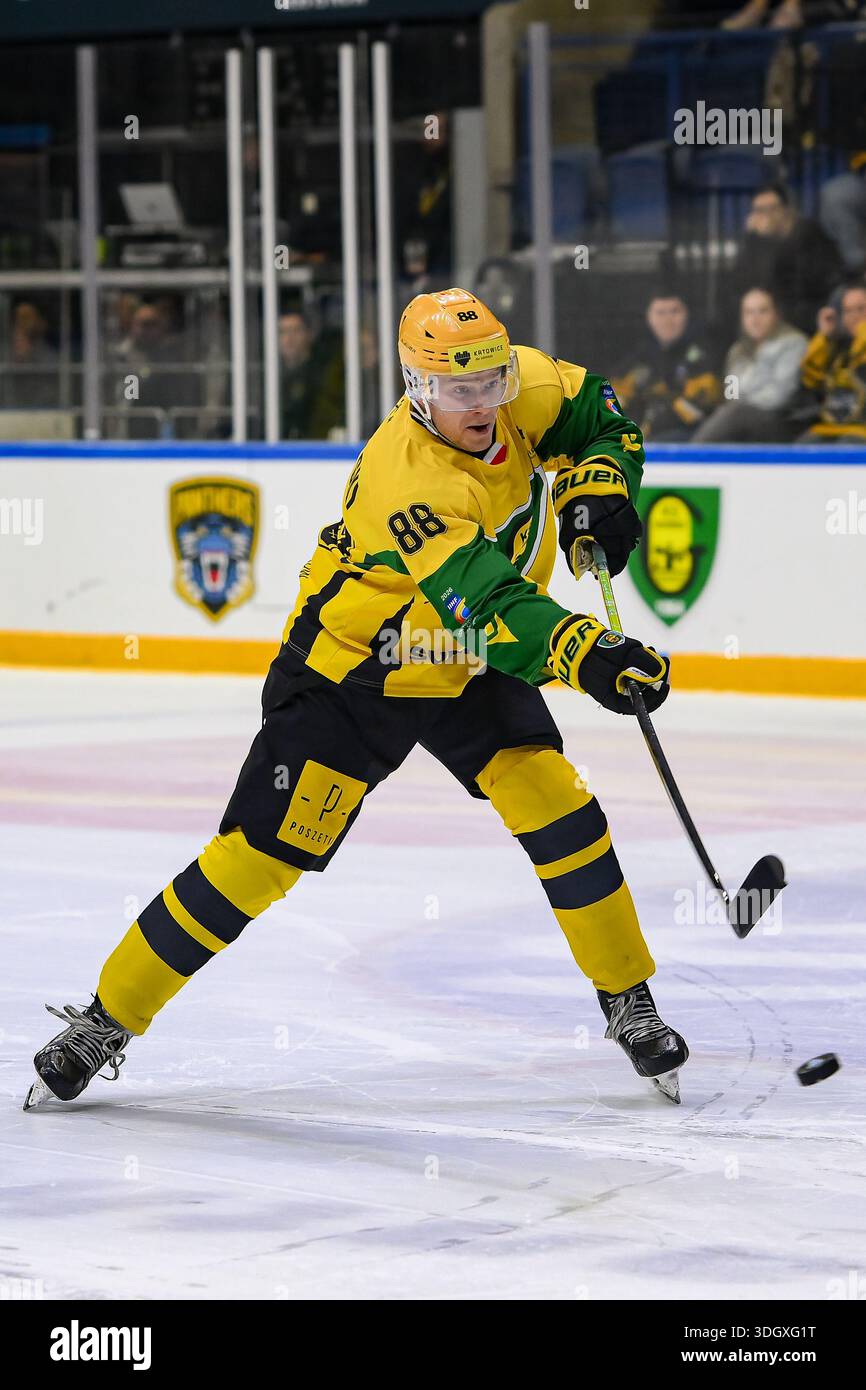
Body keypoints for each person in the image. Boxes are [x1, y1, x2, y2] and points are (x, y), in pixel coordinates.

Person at [25, 288, 689, 1115]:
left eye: (491, 381)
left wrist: (600, 486)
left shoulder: (528, 386)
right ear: (417, 387)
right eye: (459, 388)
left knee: (557, 803)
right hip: (358, 669)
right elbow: (485, 606)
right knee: (262, 859)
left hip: (465, 661)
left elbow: (606, 421)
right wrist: (587, 653)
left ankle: (628, 998)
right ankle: (107, 1019)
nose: (482, 403)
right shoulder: (403, 479)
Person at [694, 287, 807, 442]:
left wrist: (743, 406)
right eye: (749, 312)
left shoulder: (793, 344)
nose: (755, 319)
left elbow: (780, 396)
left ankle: (694, 456)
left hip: (781, 420)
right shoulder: (737, 351)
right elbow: (730, 393)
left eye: (762, 311)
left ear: (775, 314)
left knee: (735, 414)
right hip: (740, 421)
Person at [732, 184, 844, 337]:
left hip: (808, 323)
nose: (765, 216)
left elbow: (785, 287)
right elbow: (744, 283)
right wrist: (752, 239)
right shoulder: (758, 242)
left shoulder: (809, 236)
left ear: (787, 210)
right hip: (774, 323)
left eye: (771, 209)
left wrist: (760, 241)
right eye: (759, 211)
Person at [614, 292, 720, 442]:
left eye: (675, 311)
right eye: (660, 313)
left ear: (687, 315)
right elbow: (615, 396)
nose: (668, 320)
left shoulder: (703, 354)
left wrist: (648, 429)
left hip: (687, 439)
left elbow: (696, 409)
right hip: (640, 438)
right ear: (649, 318)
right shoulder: (640, 356)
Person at [793, 282, 866, 442]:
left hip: (861, 429)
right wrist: (824, 338)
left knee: (848, 445)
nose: (855, 316)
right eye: (848, 311)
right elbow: (809, 384)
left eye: (861, 309)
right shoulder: (834, 348)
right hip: (832, 426)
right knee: (805, 445)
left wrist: (863, 335)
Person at [278, 309, 343, 440]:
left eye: (296, 331)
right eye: (283, 332)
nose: (289, 338)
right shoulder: (267, 376)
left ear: (309, 334)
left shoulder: (325, 374)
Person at [2, 300, 59, 410]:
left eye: (27, 319)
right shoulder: (5, 355)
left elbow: (51, 399)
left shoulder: (49, 359)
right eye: (19, 320)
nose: (24, 324)